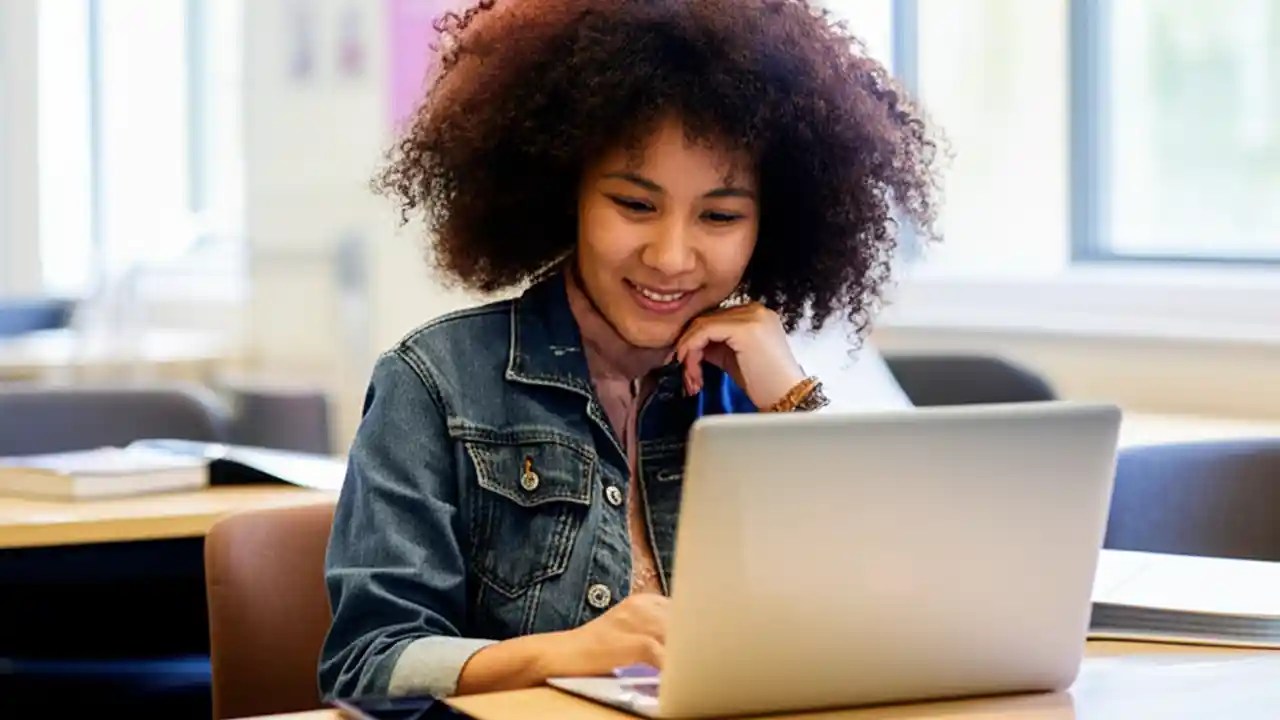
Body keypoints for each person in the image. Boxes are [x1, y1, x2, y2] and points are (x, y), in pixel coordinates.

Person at [319, 0, 940, 701]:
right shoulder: (434, 383)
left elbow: (882, 625)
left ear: (770, 224)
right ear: (569, 194)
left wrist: (790, 402)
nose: (671, 257)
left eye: (720, 215)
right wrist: (569, 653)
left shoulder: (754, 394)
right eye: (635, 205)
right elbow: (367, 666)